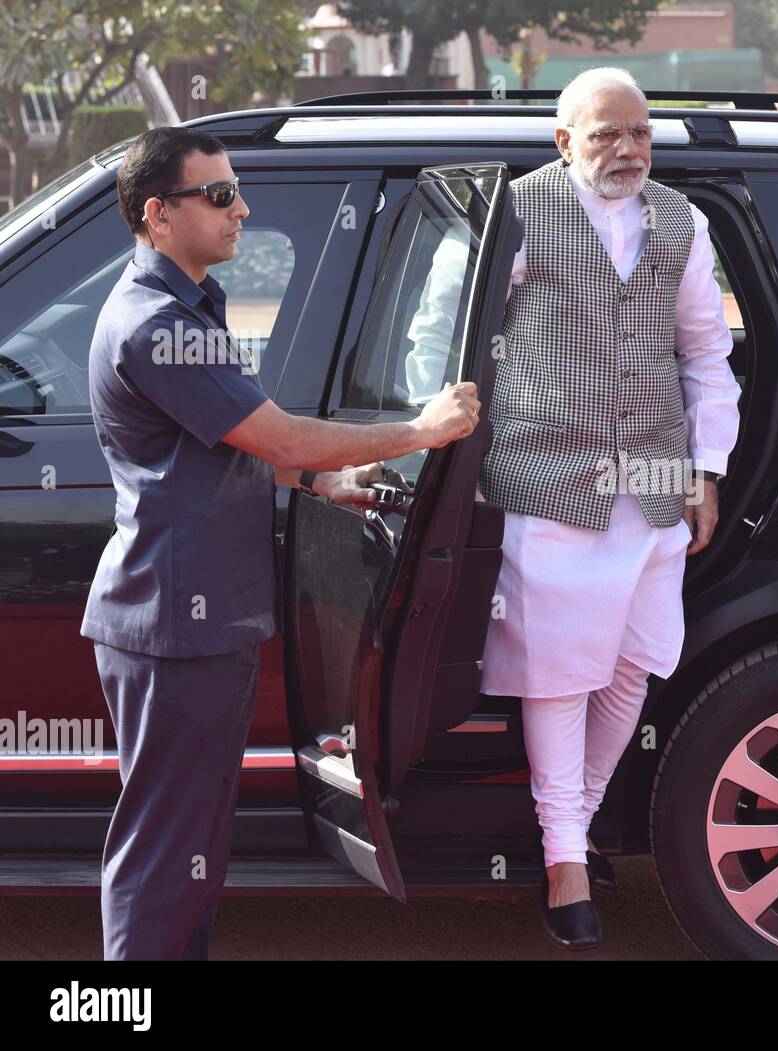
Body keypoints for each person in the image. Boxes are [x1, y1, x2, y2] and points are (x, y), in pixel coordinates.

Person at [85, 126, 481, 959]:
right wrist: (421, 429)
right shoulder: (158, 324)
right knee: (166, 850)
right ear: (158, 214)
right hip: (173, 625)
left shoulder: (188, 305)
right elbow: (280, 437)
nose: (242, 210)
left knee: (190, 847)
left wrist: (321, 483)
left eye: (236, 191)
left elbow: (229, 446)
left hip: (193, 620)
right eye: (218, 196)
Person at [470, 67, 741, 949]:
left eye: (640, 134)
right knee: (559, 671)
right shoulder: (517, 212)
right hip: (548, 475)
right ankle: (564, 861)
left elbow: (706, 352)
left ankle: (572, 827)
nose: (627, 150)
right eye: (605, 135)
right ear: (562, 141)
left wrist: (708, 468)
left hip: (656, 481)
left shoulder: (680, 219)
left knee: (631, 666)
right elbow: (462, 340)